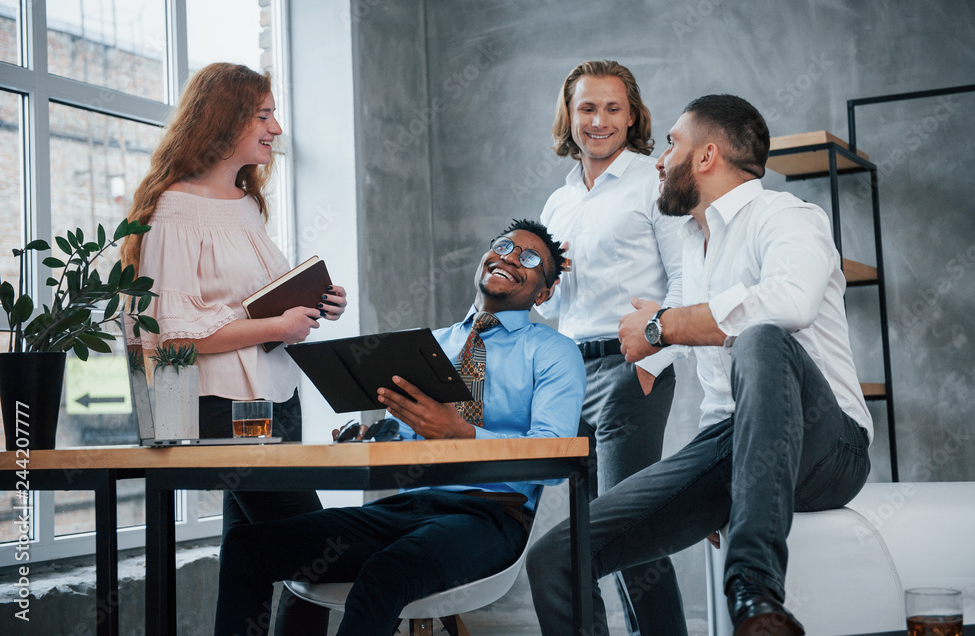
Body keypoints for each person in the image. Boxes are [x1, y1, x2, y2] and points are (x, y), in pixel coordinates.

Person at [527, 95, 873, 636]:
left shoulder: (788, 216)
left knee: (761, 338)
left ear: (707, 156)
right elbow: (720, 397)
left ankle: (754, 594)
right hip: (743, 445)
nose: (660, 160)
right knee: (556, 558)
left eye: (671, 144)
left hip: (831, 450)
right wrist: (721, 487)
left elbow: (791, 304)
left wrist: (664, 325)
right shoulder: (696, 241)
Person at [212, 219, 586, 636]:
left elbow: (556, 458)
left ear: (545, 291)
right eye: (503, 246)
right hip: (407, 508)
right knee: (247, 548)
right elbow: (405, 435)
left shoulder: (554, 352)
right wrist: (371, 438)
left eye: (529, 258)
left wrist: (460, 434)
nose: (510, 257)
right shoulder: (428, 344)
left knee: (387, 571)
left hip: (489, 517)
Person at [122, 62, 348, 635]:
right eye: (264, 114)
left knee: (248, 551)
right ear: (224, 121)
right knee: (317, 548)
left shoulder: (245, 204)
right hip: (223, 407)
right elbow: (172, 335)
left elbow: (253, 303)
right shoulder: (175, 209)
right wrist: (277, 326)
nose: (276, 128)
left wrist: (314, 303)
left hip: (276, 399)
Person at [537, 59, 688, 634]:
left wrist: (656, 360)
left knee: (632, 532)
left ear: (632, 117)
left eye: (612, 108)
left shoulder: (655, 181)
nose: (599, 120)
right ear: (569, 117)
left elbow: (686, 281)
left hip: (631, 370)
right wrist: (547, 282)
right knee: (584, 533)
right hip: (569, 376)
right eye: (586, 108)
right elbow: (553, 311)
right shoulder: (559, 204)